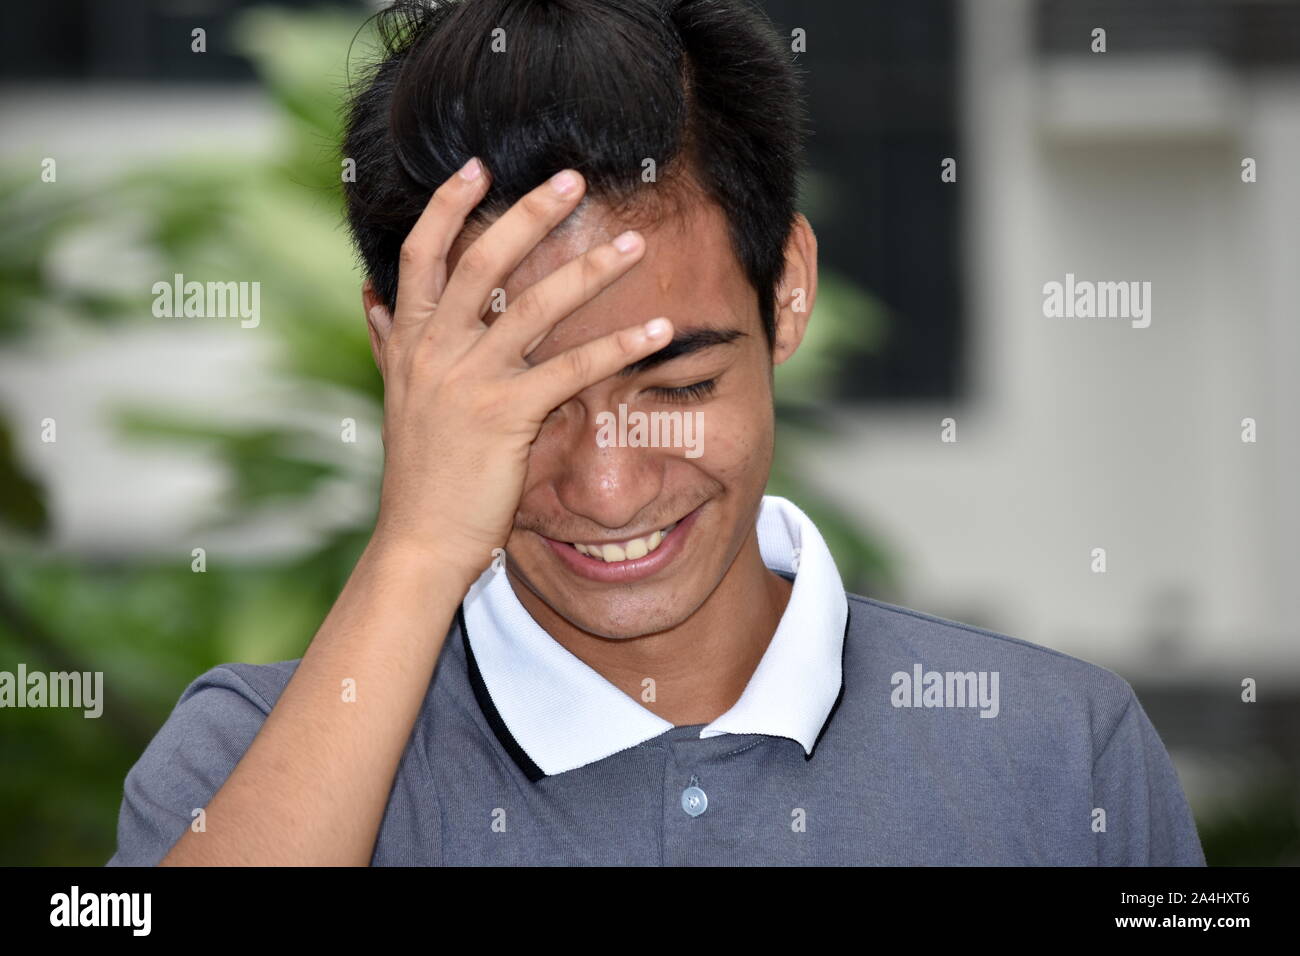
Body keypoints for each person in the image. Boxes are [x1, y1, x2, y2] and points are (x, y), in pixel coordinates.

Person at [107, 0, 1205, 866]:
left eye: (676, 383)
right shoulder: (244, 761)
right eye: (524, 403)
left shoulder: (1062, 755)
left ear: (787, 292)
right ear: (404, 361)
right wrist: (415, 549)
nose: (609, 484)